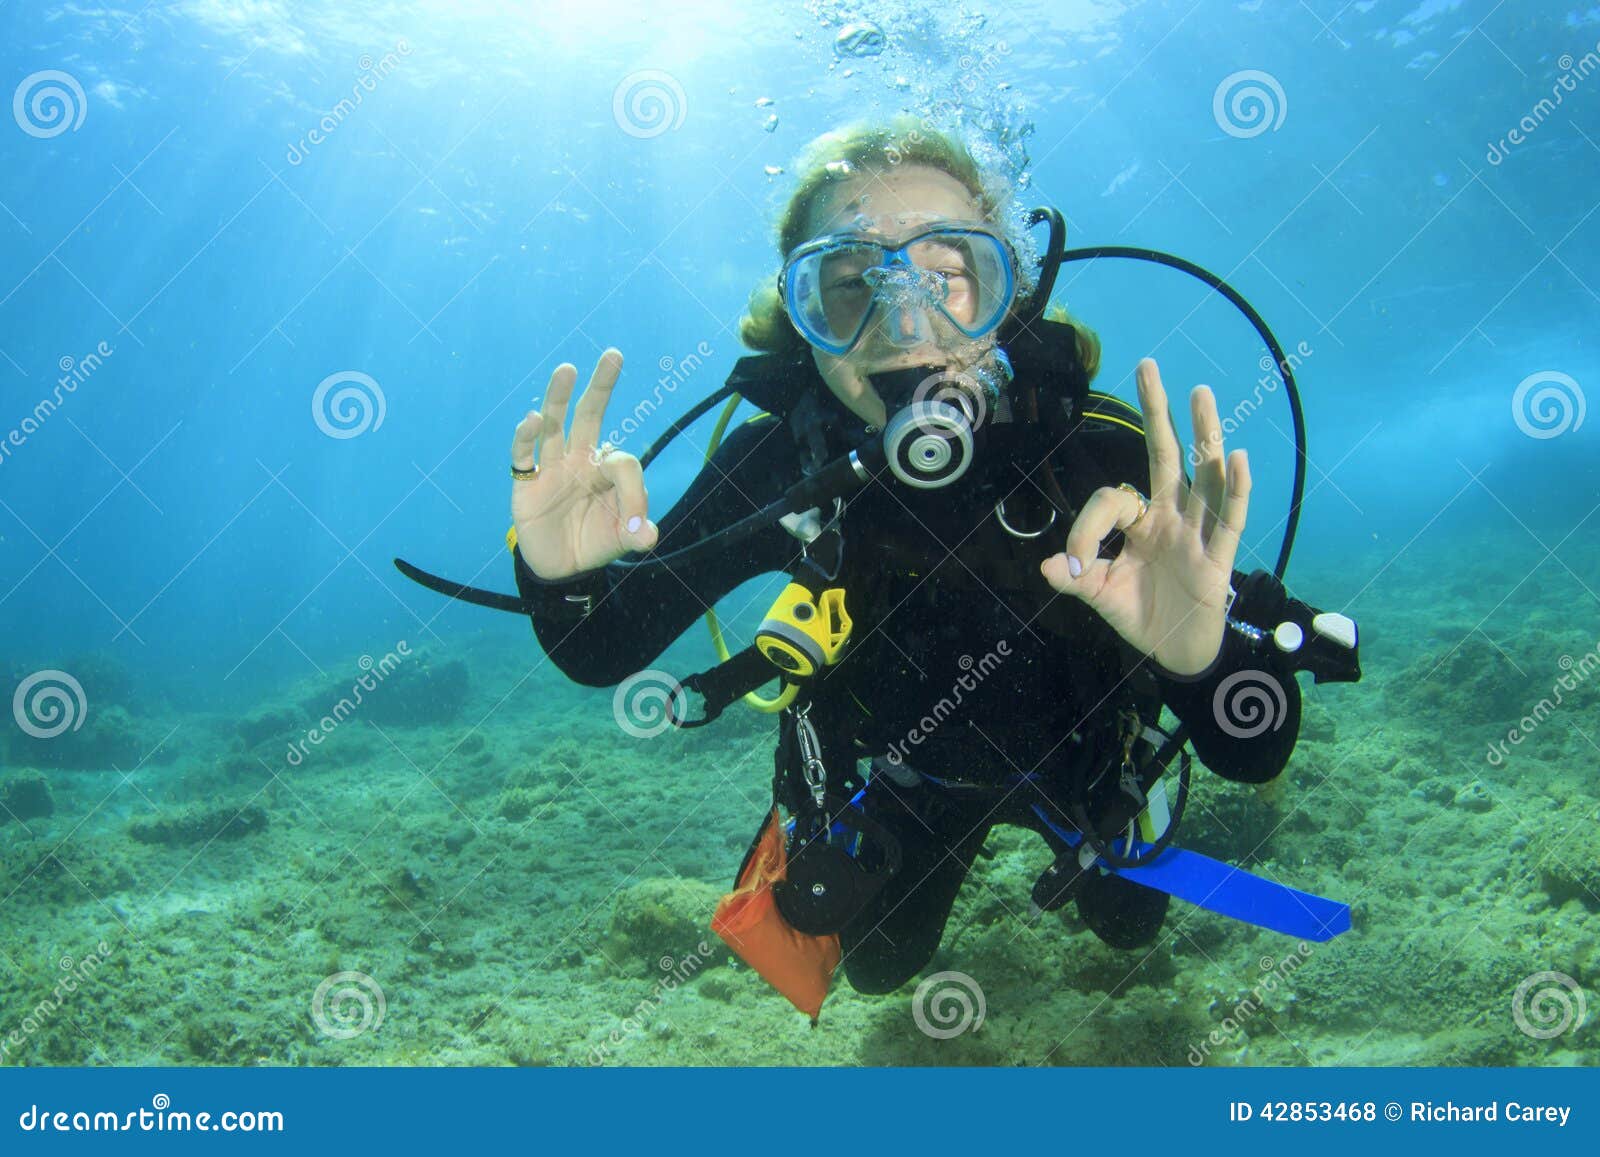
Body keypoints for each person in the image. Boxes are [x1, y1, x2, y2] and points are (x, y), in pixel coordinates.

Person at [504, 120, 1334, 1000]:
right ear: (803, 319)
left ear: (1006, 295)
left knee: (1131, 930)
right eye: (852, 284)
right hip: (903, 779)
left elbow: (1256, 749)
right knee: (876, 967)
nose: (905, 327)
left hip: (1089, 764)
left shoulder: (1095, 456)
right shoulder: (782, 464)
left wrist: (1200, 659)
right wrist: (560, 576)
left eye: (948, 277)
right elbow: (598, 651)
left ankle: (1130, 815)